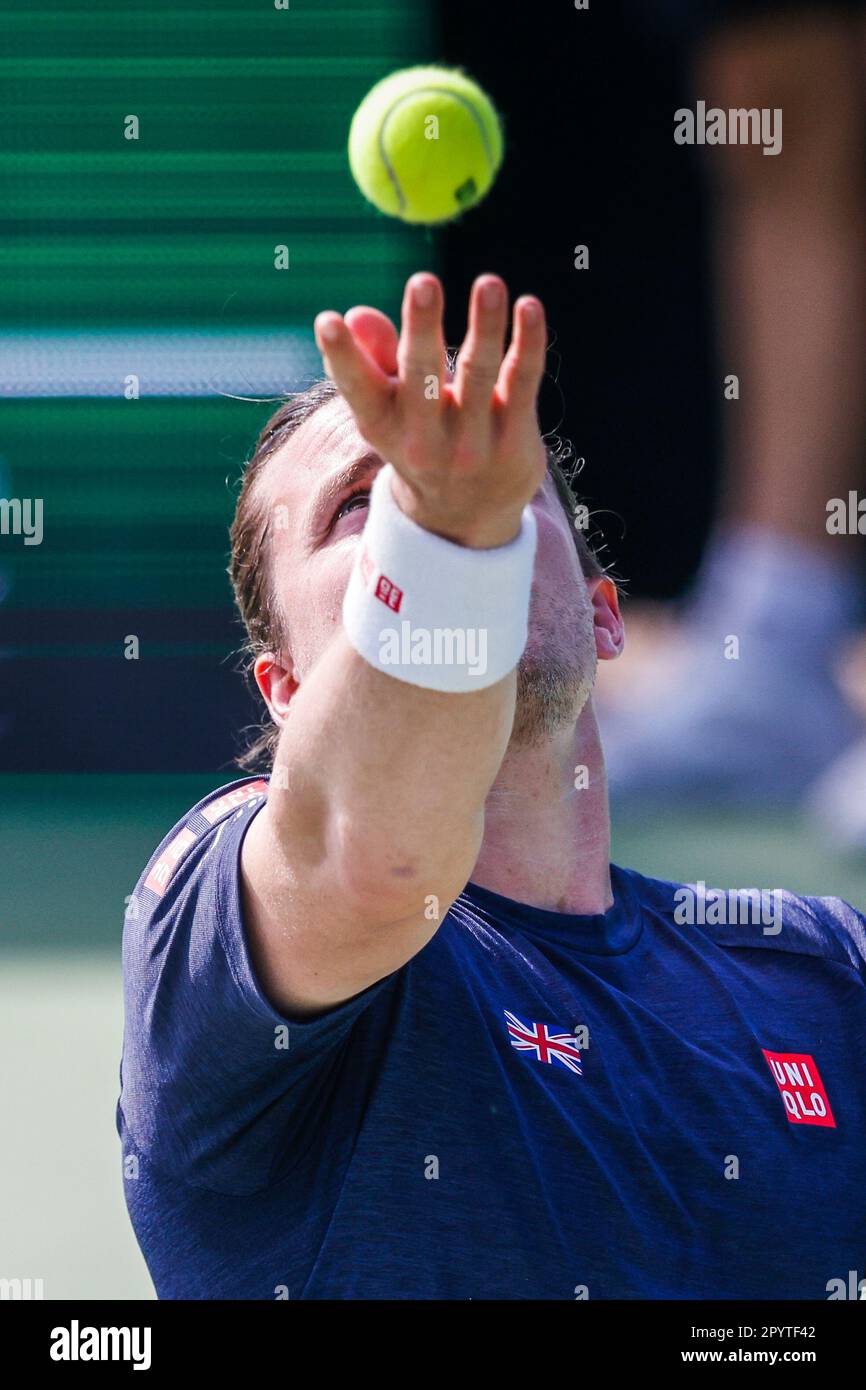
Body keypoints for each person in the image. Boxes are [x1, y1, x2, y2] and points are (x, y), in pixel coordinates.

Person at [118, 273, 866, 1299]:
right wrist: (448, 538)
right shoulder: (213, 920)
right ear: (285, 690)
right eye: (359, 506)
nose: (421, 506)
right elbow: (370, 856)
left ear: (604, 616)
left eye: (502, 499)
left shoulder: (820, 970)